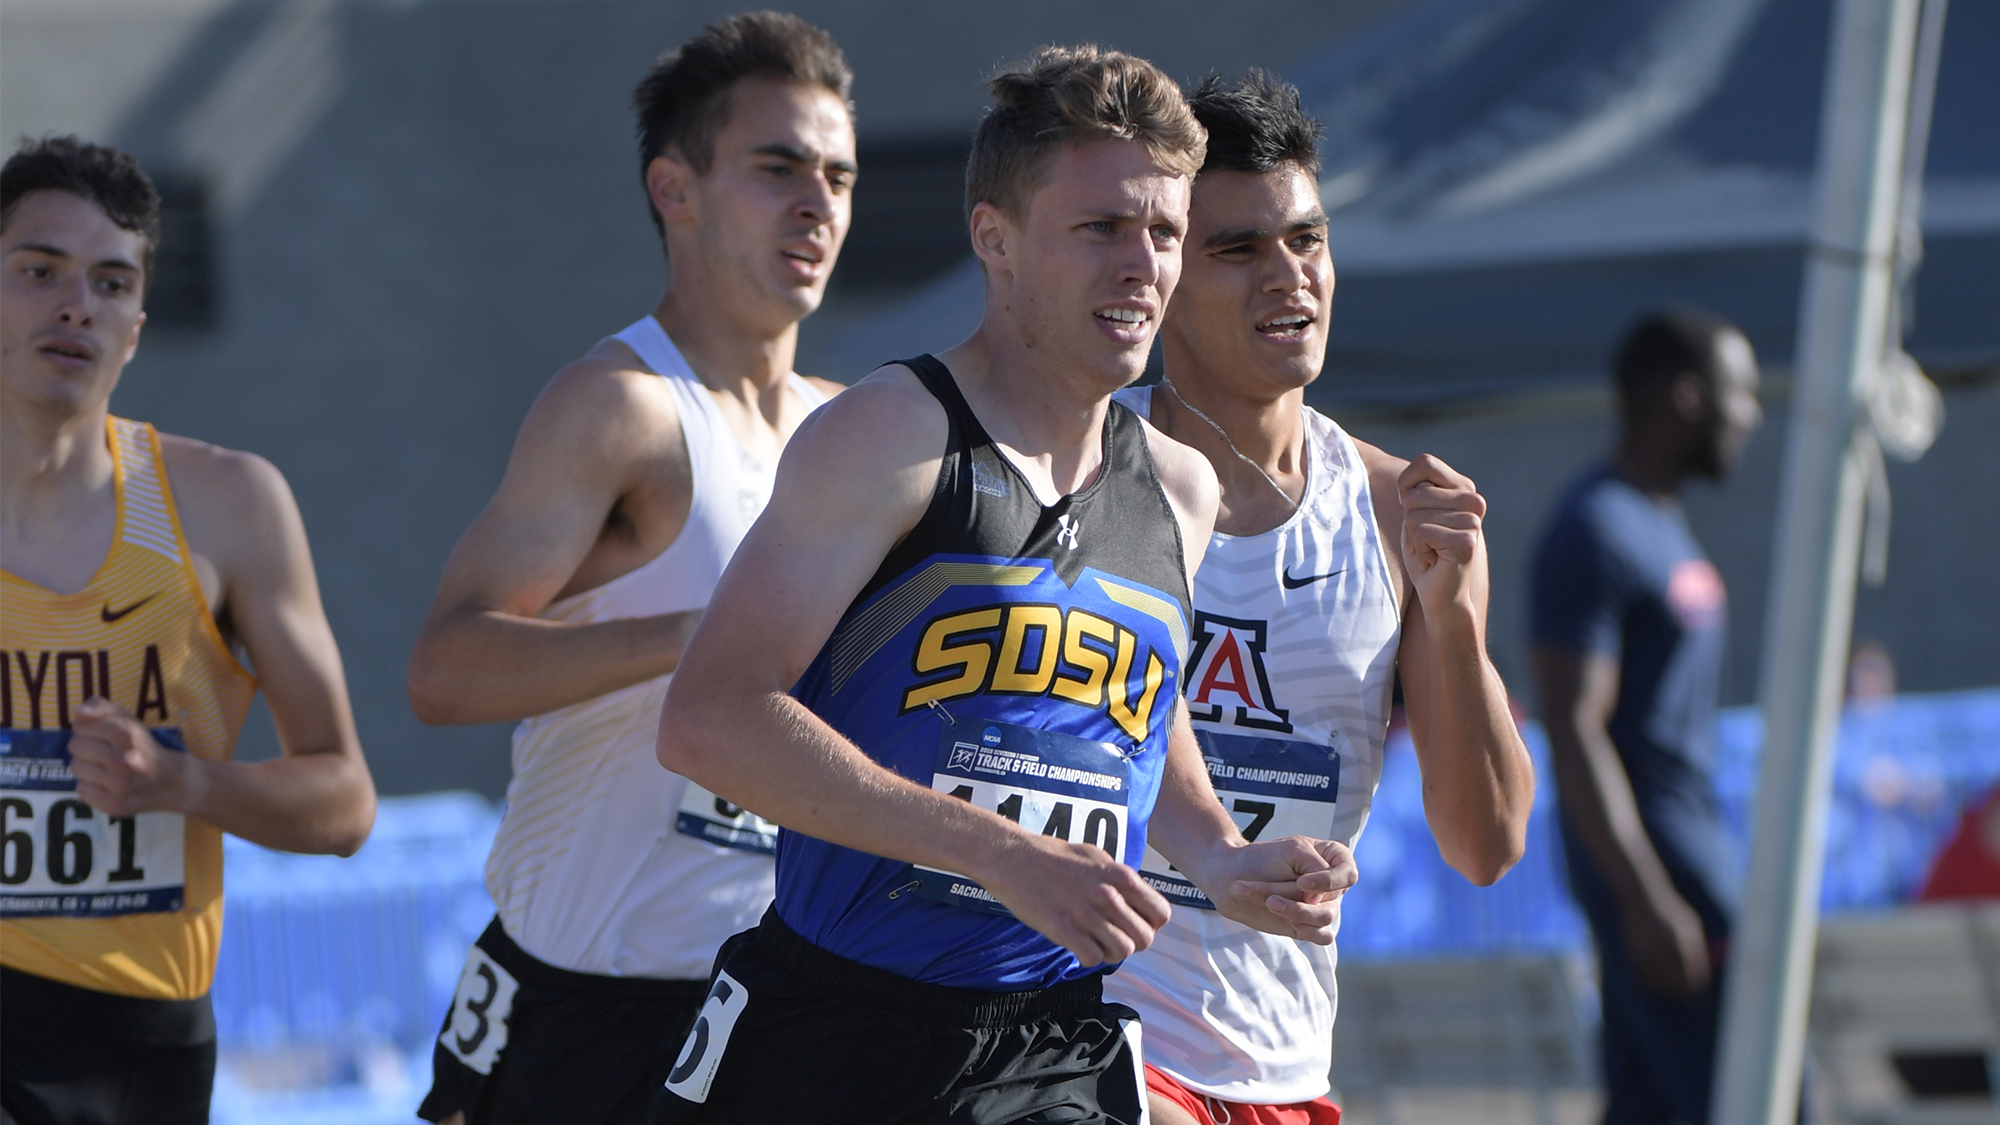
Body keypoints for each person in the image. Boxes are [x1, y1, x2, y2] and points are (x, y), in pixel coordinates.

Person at [652, 46, 1358, 1124]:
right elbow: (707, 720)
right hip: (838, 1031)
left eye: (1162, 233)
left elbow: (1134, 699)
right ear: (996, 239)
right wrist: (1000, 855)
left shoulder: (1179, 487)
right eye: (1099, 229)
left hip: (1052, 1042)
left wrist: (1217, 854)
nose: (1142, 266)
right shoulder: (891, 436)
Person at [404, 13, 855, 1125]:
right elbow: (444, 671)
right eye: (777, 167)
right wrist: (708, 641)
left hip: (764, 1000)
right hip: (579, 1011)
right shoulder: (621, 408)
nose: (818, 204)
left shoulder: (851, 435)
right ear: (676, 188)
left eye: (838, 175)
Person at [1104, 72, 1535, 1125]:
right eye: (1237, 249)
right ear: (1161, 277)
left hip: (1282, 1067)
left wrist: (1454, 617)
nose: (1286, 275)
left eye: (1306, 238)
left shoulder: (1398, 508)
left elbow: (1484, 847)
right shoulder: (1084, 465)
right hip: (1097, 1029)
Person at [0, 136, 377, 1124]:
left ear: (134, 328)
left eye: (111, 283)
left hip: (133, 1042)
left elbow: (344, 802)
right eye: (39, 271)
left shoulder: (226, 505)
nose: (77, 303)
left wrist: (186, 783)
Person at [1530, 307, 1765, 1125]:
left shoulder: (1659, 522)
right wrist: (1645, 896)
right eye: (1744, 393)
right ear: (1689, 397)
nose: (1754, 414)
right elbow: (1574, 726)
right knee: (1760, 1097)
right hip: (1664, 881)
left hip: (1693, 859)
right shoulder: (1593, 529)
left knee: (1650, 1108)